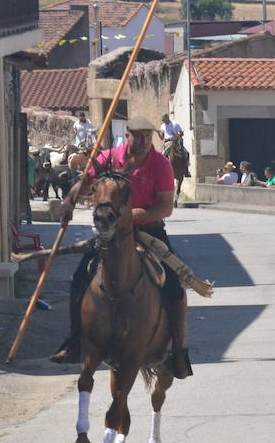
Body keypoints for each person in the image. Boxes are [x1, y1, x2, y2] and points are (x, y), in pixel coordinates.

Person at [49, 115, 192, 378]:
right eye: (137, 136)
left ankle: (178, 351)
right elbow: (85, 185)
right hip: (109, 231)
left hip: (149, 228)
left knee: (174, 282)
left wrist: (131, 216)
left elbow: (165, 207)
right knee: (80, 277)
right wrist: (69, 200)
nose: (143, 142)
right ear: (127, 136)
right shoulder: (109, 159)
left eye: (148, 137)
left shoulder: (160, 165)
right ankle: (74, 341)